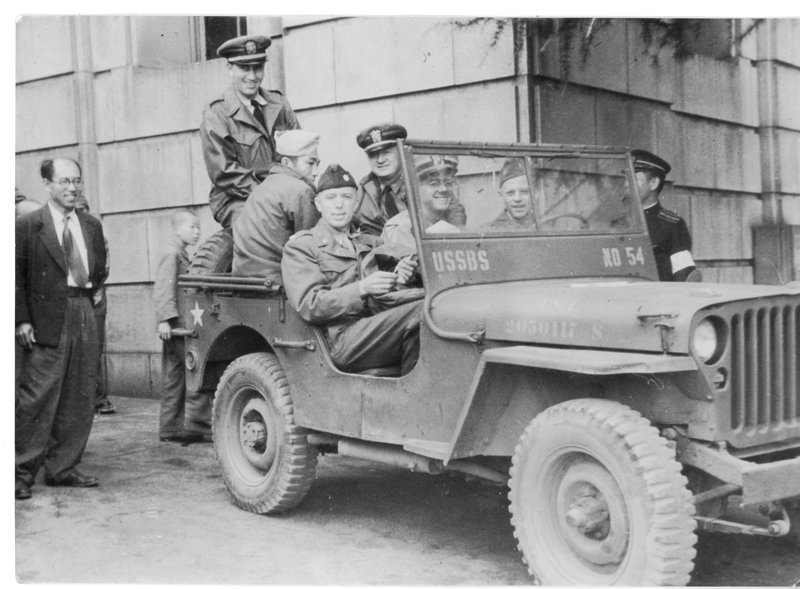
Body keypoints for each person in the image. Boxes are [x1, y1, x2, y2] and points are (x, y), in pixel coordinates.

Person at [15, 158, 108, 500]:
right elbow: (13, 278)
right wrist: (21, 319)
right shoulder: (27, 226)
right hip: (44, 316)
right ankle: (18, 474)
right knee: (38, 397)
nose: (72, 188)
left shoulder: (91, 225)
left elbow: (99, 266)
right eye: (65, 181)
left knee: (80, 394)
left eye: (77, 181)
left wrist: (94, 286)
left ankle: (62, 468)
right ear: (47, 184)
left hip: (83, 308)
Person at [282, 164, 421, 376]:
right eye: (331, 198)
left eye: (346, 197)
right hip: (340, 340)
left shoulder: (370, 242)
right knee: (425, 310)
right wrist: (363, 288)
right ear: (319, 204)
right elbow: (310, 305)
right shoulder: (302, 247)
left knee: (428, 314)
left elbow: (390, 287)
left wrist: (401, 276)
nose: (339, 205)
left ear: (356, 203)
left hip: (376, 325)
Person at [200, 34, 301, 228]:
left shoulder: (280, 104)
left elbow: (300, 153)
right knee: (263, 228)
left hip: (281, 195)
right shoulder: (216, 114)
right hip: (237, 198)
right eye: (244, 68)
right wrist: (269, 196)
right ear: (230, 68)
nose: (252, 76)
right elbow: (225, 172)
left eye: (258, 67)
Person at [232, 130, 321, 283]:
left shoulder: (263, 186)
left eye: (317, 164)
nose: (316, 172)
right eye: (310, 163)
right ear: (286, 163)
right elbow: (313, 248)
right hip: (277, 282)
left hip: (244, 281)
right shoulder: (301, 190)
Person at [153, 210, 211, 444]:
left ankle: (170, 427)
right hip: (177, 326)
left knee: (175, 377)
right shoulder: (172, 254)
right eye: (192, 227)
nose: (197, 232)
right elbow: (163, 288)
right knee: (193, 372)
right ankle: (198, 424)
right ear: (177, 229)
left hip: (177, 325)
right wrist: (164, 319)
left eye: (198, 228)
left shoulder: (179, 254)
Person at [74, 195, 115, 415]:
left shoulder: (96, 233)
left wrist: (91, 291)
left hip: (94, 297)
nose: (82, 213)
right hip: (71, 299)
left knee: (95, 348)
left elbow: (103, 268)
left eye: (85, 209)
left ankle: (99, 398)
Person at [632, 149, 698, 282]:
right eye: (626, 178)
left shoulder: (672, 225)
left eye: (634, 179)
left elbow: (683, 274)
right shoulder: (619, 223)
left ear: (654, 183)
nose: (627, 184)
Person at [380, 155, 464, 250]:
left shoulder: (456, 220)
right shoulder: (399, 230)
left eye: (448, 183)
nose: (443, 189)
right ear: (415, 188)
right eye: (434, 183)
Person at [480, 159, 536, 231]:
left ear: (535, 193)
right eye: (510, 193)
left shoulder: (546, 226)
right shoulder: (488, 231)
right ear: (501, 196)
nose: (517, 198)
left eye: (524, 192)